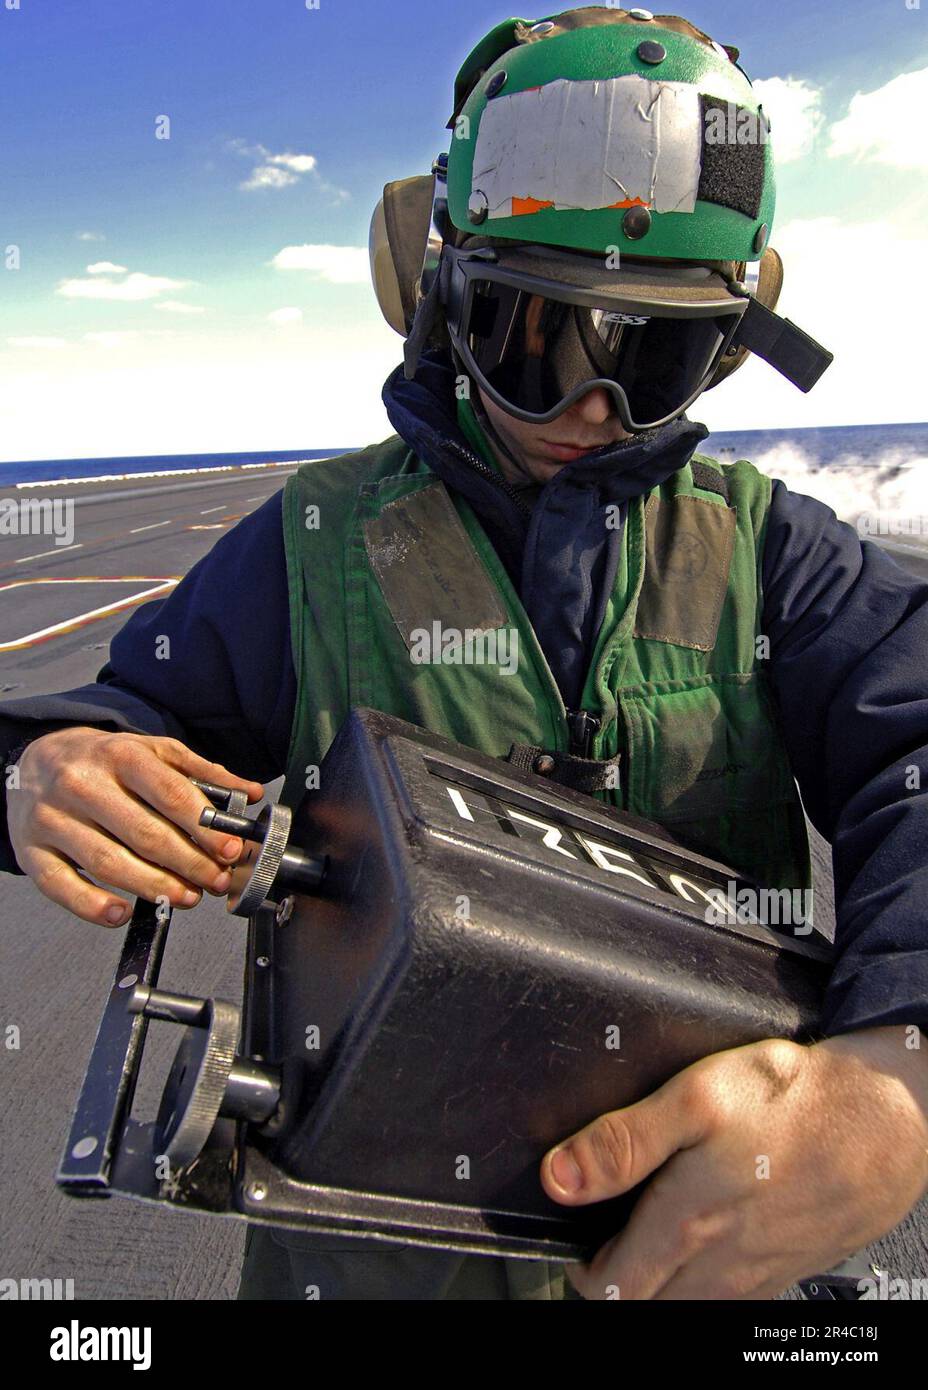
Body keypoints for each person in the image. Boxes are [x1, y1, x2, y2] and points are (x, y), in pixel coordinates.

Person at [2, 7, 927, 1301]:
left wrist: (895, 1070)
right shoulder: (313, 549)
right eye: (529, 338)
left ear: (728, 347)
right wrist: (53, 766)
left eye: (652, 358)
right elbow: (123, 714)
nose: (590, 408)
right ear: (434, 294)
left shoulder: (780, 558)